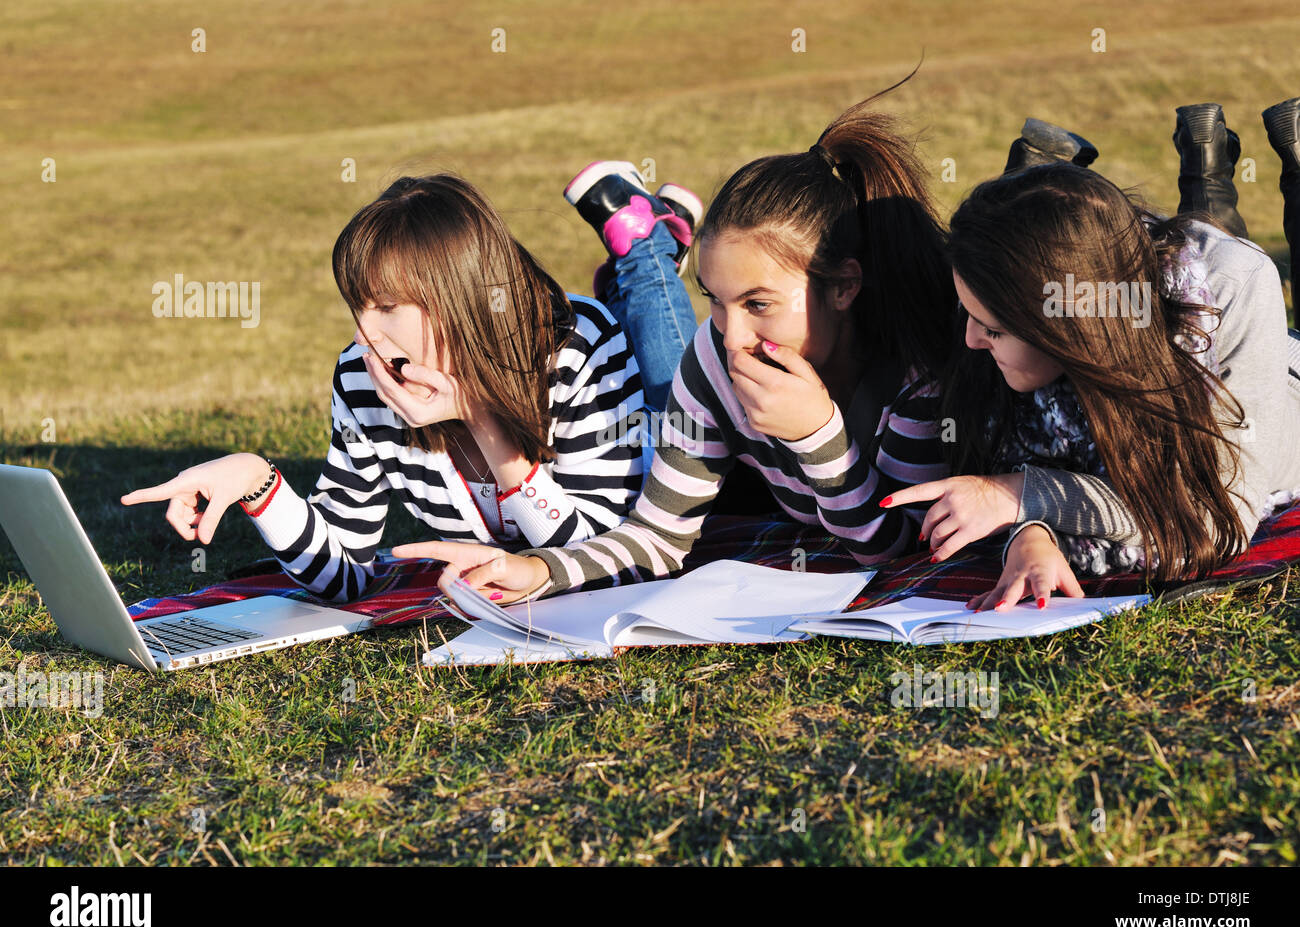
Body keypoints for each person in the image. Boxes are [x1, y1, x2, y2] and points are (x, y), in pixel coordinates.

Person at [390, 91, 961, 602]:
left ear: (843, 287)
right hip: (750, 498)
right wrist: (539, 570)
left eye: (758, 305)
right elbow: (658, 538)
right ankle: (645, 254)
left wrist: (817, 435)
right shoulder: (714, 356)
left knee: (661, 389)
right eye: (713, 298)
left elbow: (894, 552)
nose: (730, 337)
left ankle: (642, 257)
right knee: (672, 384)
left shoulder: (914, 375)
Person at [120, 174, 663, 603]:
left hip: (651, 404)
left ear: (459, 294)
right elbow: (345, 577)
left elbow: (604, 557)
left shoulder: (576, 347)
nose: (363, 334)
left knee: (666, 360)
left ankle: (648, 248)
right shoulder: (362, 377)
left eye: (386, 307)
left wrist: (480, 419)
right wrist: (259, 483)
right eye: (358, 306)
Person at [884, 158, 1300, 612]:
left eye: (995, 330)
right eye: (969, 315)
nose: (970, 340)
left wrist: (1018, 494)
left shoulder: (1235, 283)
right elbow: (1031, 461)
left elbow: (1214, 517)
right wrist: (1030, 535)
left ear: (1069, 329)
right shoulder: (1029, 291)